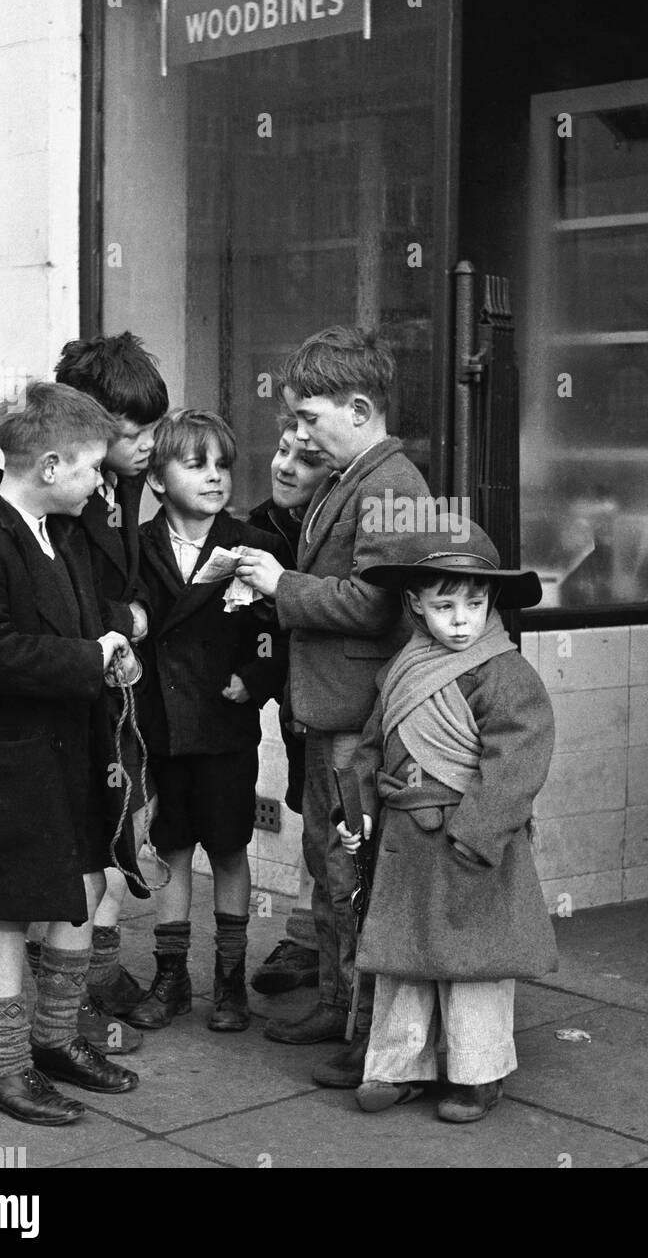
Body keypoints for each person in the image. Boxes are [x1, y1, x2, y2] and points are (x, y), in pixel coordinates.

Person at [0, 383, 143, 1125]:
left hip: (70, 751)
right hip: (10, 764)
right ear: (51, 466)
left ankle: (55, 1042)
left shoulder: (63, 530)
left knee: (81, 891)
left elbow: (82, 620)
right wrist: (90, 659)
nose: (102, 481)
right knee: (6, 913)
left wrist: (113, 643)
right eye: (93, 467)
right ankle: (3, 1068)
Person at [236, 326, 431, 1087]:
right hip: (332, 712)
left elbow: (374, 606)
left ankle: (369, 1033)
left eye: (310, 417)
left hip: (358, 717)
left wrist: (278, 583)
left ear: (358, 407)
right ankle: (338, 1003)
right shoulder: (358, 475)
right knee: (331, 862)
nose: (300, 433)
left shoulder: (389, 484)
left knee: (355, 872)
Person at [335, 522, 558, 1122]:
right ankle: (396, 1068)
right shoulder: (405, 669)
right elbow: (372, 746)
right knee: (401, 961)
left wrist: (478, 834)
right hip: (406, 840)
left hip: (470, 842)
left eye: (475, 604)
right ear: (414, 605)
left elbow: (517, 758)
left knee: (473, 965)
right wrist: (355, 814)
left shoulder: (506, 675)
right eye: (444, 605)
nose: (461, 619)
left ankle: (476, 1074)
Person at [123, 410, 287, 1032]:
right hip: (161, 724)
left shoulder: (255, 545)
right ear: (160, 480)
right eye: (196, 465)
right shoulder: (136, 549)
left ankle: (229, 982)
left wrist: (257, 677)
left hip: (224, 724)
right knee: (168, 848)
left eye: (222, 465)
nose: (215, 477)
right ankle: (170, 979)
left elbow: (277, 633)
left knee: (227, 848)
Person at [27, 332, 169, 1043]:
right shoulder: (63, 495)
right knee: (73, 852)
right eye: (132, 431)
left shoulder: (124, 480)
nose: (146, 445)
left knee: (114, 836)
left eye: (151, 429)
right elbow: (60, 597)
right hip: (77, 684)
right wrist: (125, 618)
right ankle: (66, 992)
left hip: (115, 685)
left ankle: (100, 972)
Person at [247, 416, 332, 996]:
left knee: (337, 822)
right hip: (294, 694)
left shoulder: (344, 526)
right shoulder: (261, 525)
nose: (284, 467)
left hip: (340, 693)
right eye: (281, 452)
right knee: (308, 808)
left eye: (303, 461)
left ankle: (318, 937)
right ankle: (306, 936)